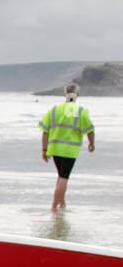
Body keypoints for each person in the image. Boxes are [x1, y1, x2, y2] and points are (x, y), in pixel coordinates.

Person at [39, 82, 95, 211]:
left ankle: (61, 203)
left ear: (65, 94)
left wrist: (44, 149)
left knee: (60, 176)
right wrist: (91, 144)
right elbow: (90, 130)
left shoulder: (54, 110)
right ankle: (54, 206)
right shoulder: (80, 111)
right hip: (70, 150)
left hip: (55, 149)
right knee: (64, 177)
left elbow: (45, 131)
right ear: (77, 95)